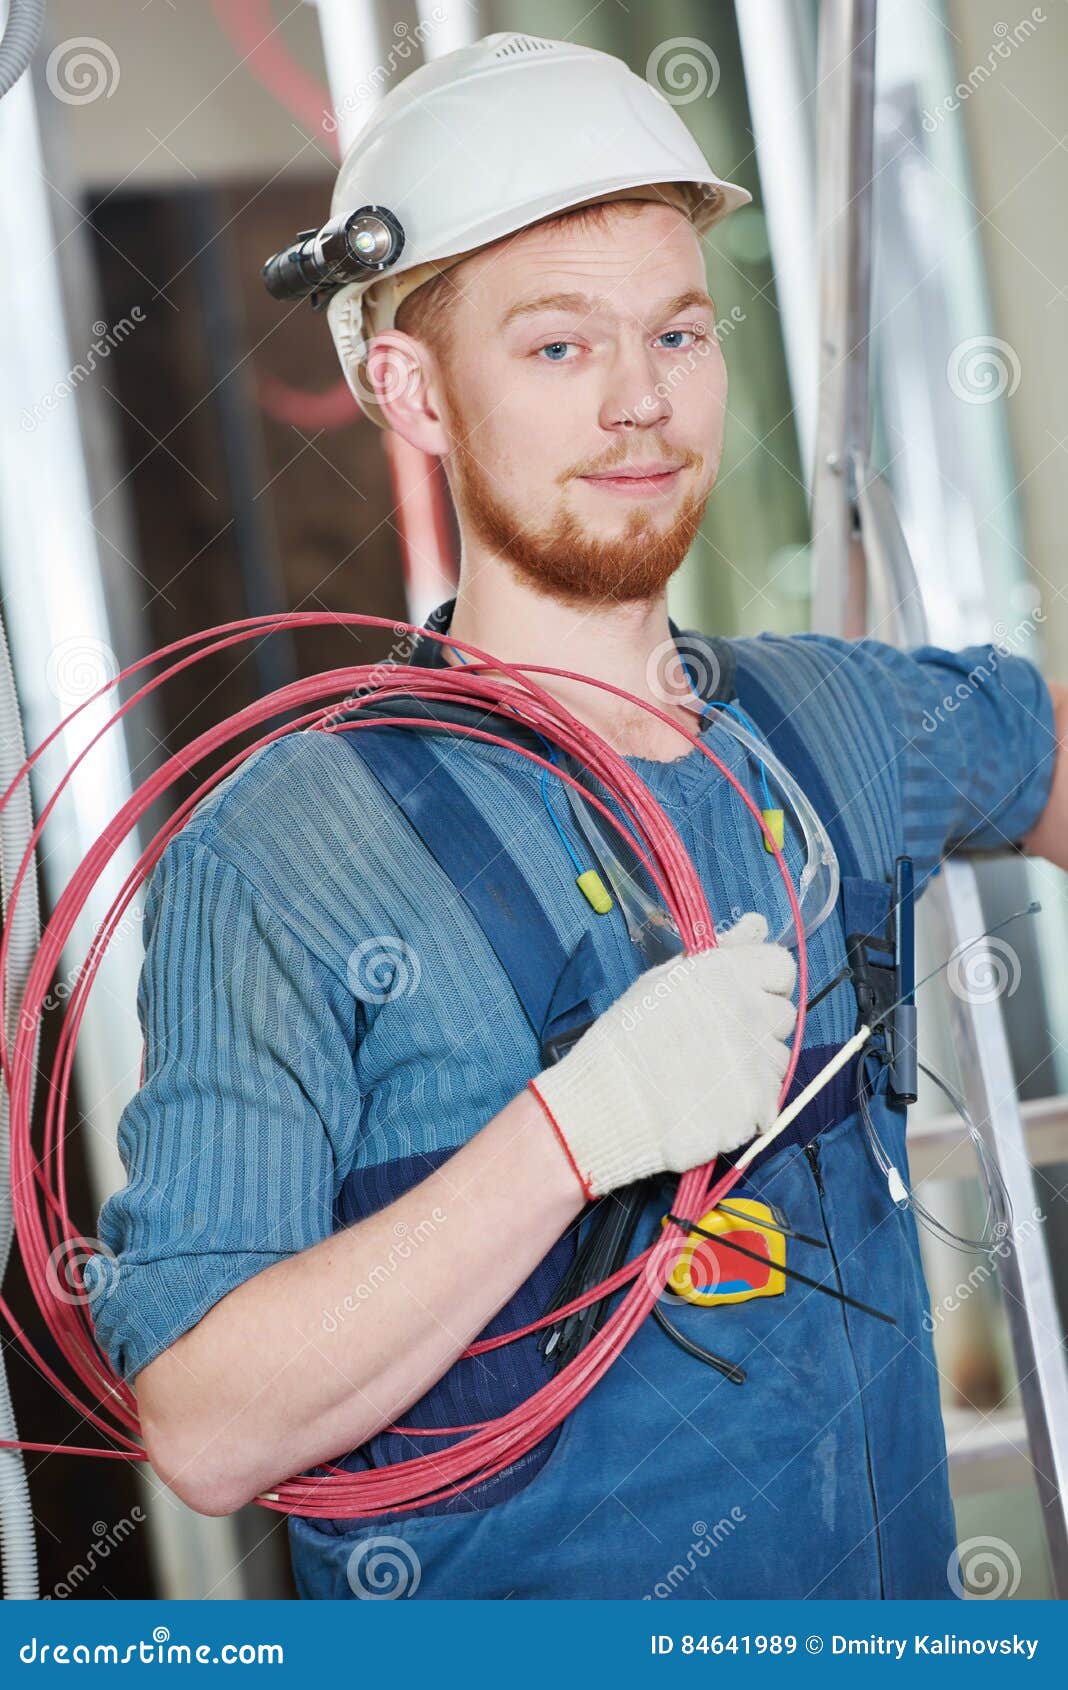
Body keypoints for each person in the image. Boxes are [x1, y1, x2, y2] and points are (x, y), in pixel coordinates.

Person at [84, 34, 1066, 1601]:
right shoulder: (291, 855)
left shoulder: (835, 726)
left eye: (678, 332)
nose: (639, 402)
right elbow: (207, 1423)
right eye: (556, 349)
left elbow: (1040, 754)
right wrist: (569, 1135)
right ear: (408, 385)